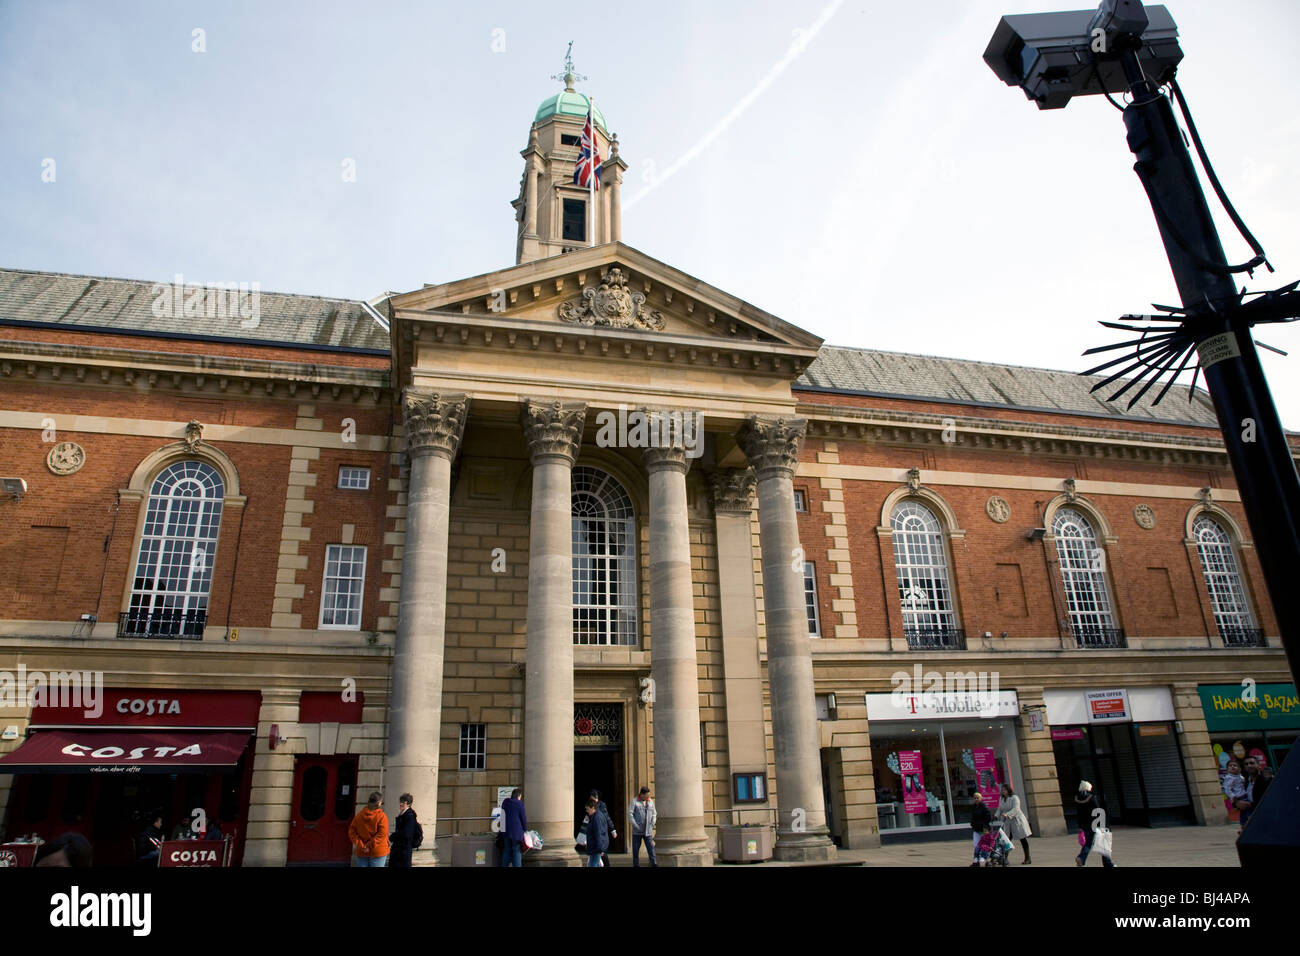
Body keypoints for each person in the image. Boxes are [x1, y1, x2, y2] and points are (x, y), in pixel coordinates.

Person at [1074, 781, 1114, 867]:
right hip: (1096, 824)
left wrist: (1080, 826)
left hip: (1085, 825)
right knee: (1104, 844)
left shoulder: (1077, 799)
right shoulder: (1092, 798)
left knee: (1088, 843)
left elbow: (1079, 814)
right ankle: (1108, 864)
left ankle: (1081, 858)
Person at [348, 792, 390, 867]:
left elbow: (352, 831)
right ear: (379, 803)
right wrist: (368, 846)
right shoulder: (382, 816)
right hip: (378, 850)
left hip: (362, 851)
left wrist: (361, 845)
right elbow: (382, 834)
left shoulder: (359, 815)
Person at [996, 783, 1033, 864]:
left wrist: (1008, 814)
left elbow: (1016, 808)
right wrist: (996, 816)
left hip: (1017, 821)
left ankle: (1027, 858)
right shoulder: (1002, 799)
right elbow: (1000, 809)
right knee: (1007, 840)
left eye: (1004, 790)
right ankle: (1004, 858)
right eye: (1002, 790)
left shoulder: (1014, 798)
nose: (1003, 792)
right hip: (1008, 822)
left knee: (1022, 839)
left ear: (1008, 790)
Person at [1236, 756, 1271, 828]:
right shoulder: (1244, 782)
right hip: (1249, 816)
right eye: (1246, 764)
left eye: (1252, 763)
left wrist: (1249, 804)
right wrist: (1237, 803)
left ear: (1258, 765)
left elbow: (1269, 799)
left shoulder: (1266, 780)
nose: (1249, 765)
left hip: (1264, 816)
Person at [628, 786, 658, 868]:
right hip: (637, 831)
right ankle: (636, 864)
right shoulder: (634, 801)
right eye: (647, 795)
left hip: (648, 830)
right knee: (636, 849)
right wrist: (635, 825)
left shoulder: (650, 801)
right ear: (642, 794)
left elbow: (654, 813)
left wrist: (652, 823)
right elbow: (630, 815)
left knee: (651, 848)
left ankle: (654, 863)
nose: (648, 797)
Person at [500, 788, 527, 867]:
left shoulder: (505, 802)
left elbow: (502, 816)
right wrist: (525, 830)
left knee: (507, 851)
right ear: (519, 795)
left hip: (505, 831)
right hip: (516, 832)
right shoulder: (519, 803)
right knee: (516, 851)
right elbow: (523, 818)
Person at [390, 793, 418, 868]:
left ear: (407, 803)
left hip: (404, 850)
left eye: (402, 802)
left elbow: (406, 833)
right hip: (399, 849)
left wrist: (392, 836)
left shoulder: (410, 815)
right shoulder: (403, 814)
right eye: (401, 802)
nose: (400, 804)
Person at [589, 789, 616, 866]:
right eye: (593, 798)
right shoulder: (589, 804)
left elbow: (607, 817)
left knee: (602, 852)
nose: (595, 800)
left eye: (595, 798)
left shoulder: (601, 805)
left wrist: (613, 829)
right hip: (593, 831)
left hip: (600, 830)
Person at [584, 798, 610, 868]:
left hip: (596, 848)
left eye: (587, 809)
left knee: (593, 864)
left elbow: (598, 834)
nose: (587, 811)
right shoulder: (595, 816)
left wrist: (600, 849)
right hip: (595, 847)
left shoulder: (597, 818)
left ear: (592, 808)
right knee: (592, 864)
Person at [968, 791, 991, 866]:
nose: (976, 799)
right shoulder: (974, 807)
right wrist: (972, 824)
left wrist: (985, 826)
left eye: (977, 798)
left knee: (984, 844)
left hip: (983, 829)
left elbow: (988, 817)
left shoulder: (984, 807)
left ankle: (985, 858)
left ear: (981, 798)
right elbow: (973, 817)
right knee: (976, 845)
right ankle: (976, 860)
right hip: (976, 828)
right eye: (975, 798)